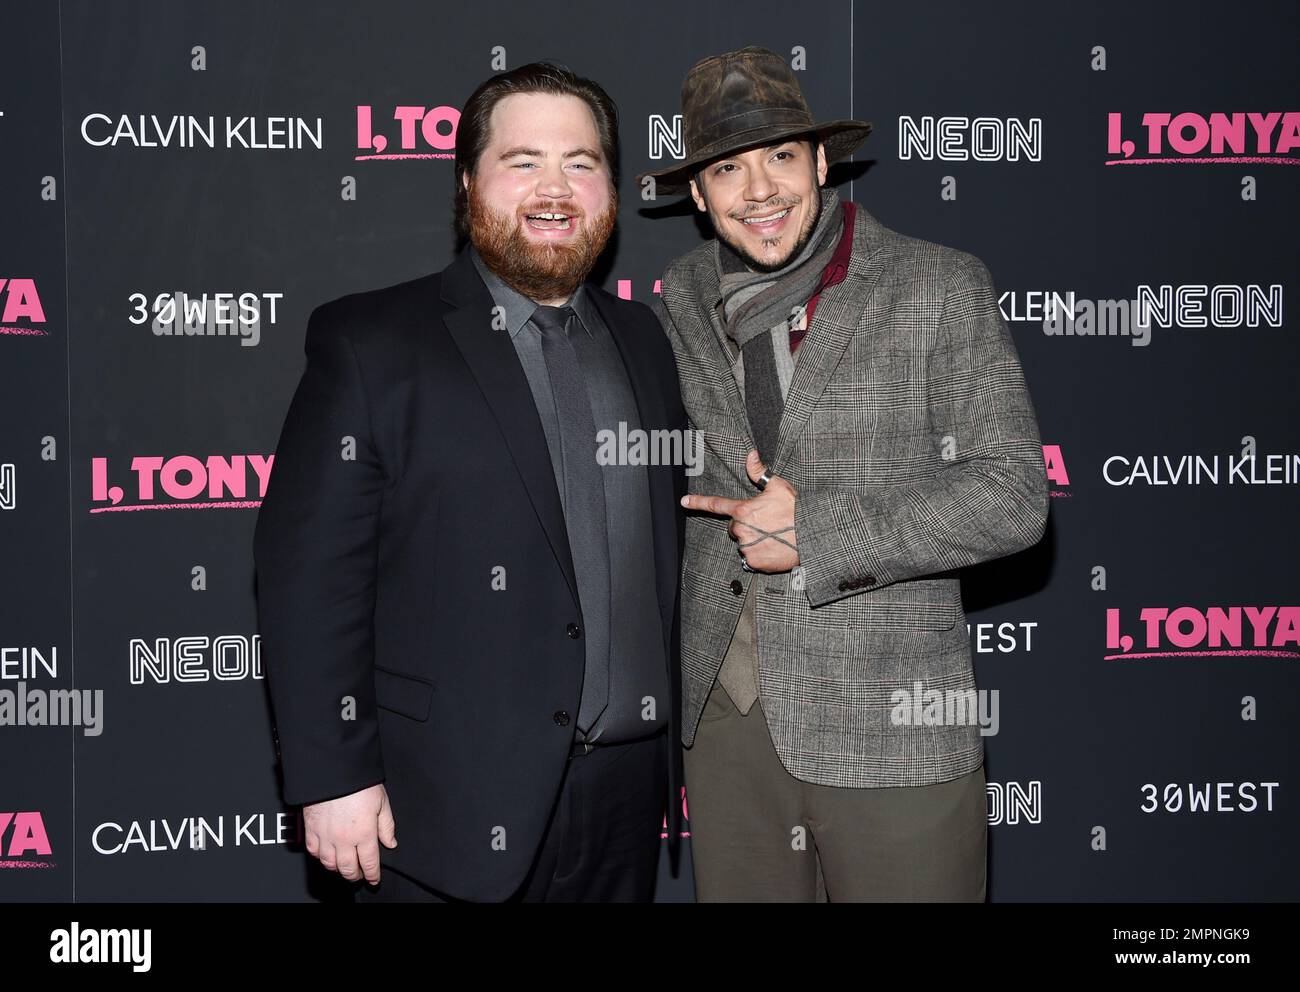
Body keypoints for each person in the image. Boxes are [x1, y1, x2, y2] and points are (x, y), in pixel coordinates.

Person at [254, 61, 686, 903]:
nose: (554, 188)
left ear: (611, 188)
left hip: (627, 800)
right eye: (523, 161)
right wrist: (331, 774)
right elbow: (308, 575)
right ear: (467, 184)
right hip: (441, 804)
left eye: (581, 163)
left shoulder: (646, 337)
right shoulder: (372, 342)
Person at [639, 46, 1049, 901]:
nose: (759, 191)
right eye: (727, 169)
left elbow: (1013, 496)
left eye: (781, 156)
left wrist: (817, 531)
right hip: (728, 725)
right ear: (701, 197)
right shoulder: (679, 297)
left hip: (892, 715)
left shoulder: (938, 285)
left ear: (823, 161)